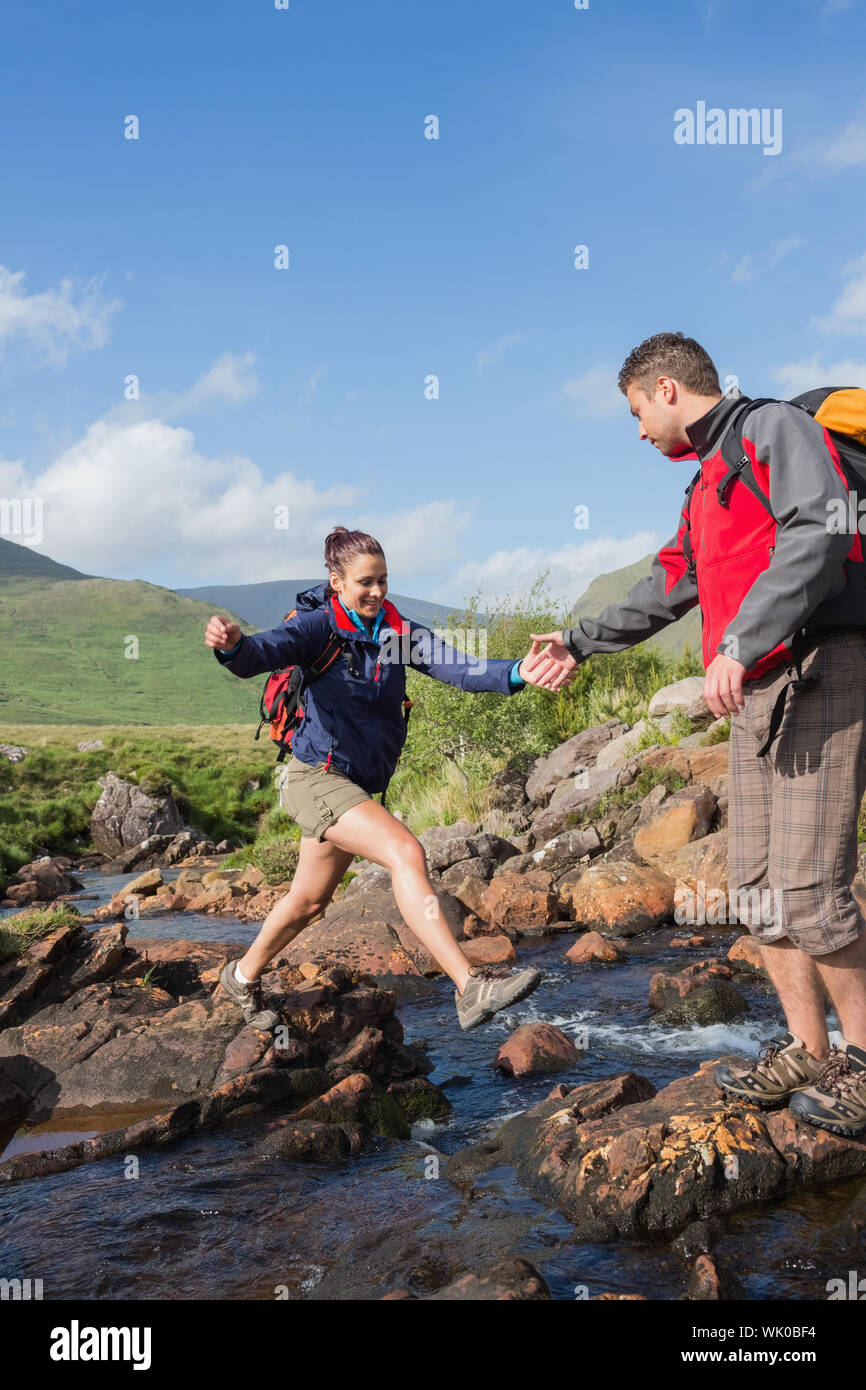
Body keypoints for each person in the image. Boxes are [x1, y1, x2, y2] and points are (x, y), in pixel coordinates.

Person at [529, 331, 866, 1138]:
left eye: (637, 410)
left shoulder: (772, 429)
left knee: (814, 890)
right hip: (750, 692)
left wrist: (742, 640)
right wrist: (576, 641)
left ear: (668, 389)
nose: (638, 429)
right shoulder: (707, 482)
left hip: (819, 668)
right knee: (755, 887)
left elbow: (819, 533)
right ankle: (808, 1052)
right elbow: (667, 584)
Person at [205, 525, 570, 1033]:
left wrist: (517, 673)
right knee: (406, 852)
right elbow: (261, 654)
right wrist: (233, 644)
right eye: (364, 583)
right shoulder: (318, 629)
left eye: (383, 580)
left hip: (356, 787)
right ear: (336, 581)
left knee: (308, 904)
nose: (376, 592)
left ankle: (241, 977)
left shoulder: (398, 635)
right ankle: (470, 988)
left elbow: (461, 669)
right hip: (316, 777)